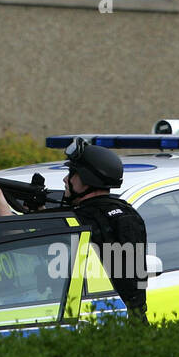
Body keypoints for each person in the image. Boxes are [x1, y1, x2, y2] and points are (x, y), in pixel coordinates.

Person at [61, 137, 149, 323]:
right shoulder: (128, 213)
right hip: (132, 316)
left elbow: (21, 239)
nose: (65, 179)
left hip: (91, 316)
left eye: (72, 173)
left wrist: (0, 200)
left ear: (86, 180)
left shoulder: (79, 221)